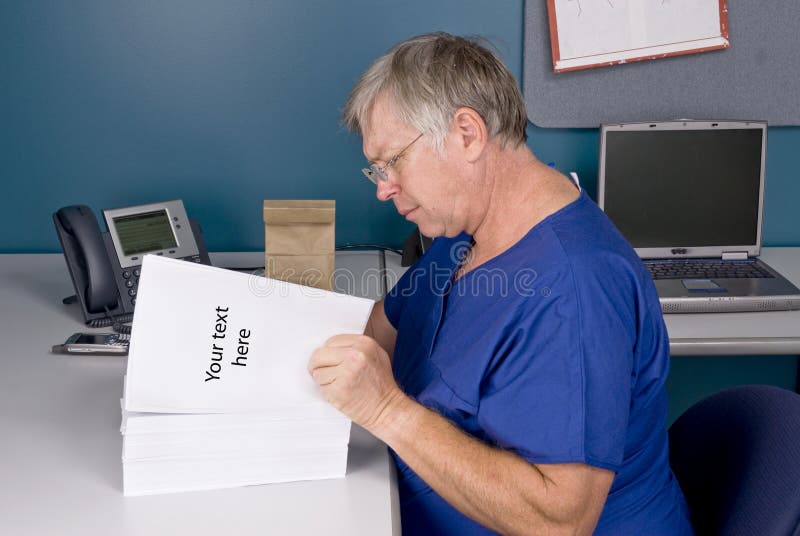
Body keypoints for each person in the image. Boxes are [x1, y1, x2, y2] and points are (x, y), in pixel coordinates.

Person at [308, 32, 693, 535]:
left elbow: (560, 522)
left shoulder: (574, 289)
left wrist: (386, 410)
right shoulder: (463, 231)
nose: (384, 189)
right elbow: (381, 328)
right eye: (376, 170)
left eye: (393, 161)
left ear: (467, 134)